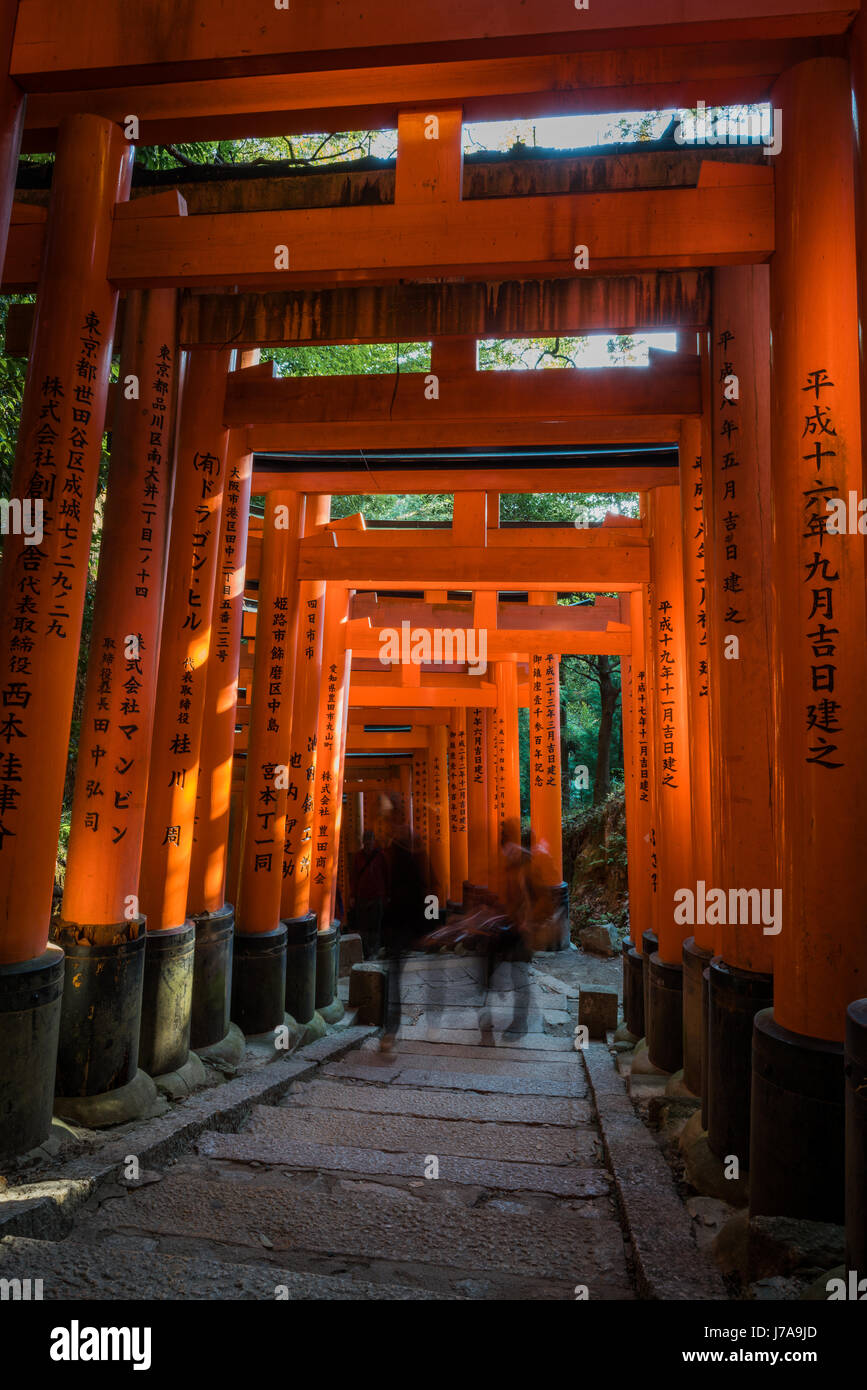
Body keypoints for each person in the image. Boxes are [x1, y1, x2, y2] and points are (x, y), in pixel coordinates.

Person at [380, 820, 426, 1051]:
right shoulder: (416, 861)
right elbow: (427, 891)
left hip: (398, 925)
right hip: (404, 925)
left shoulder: (397, 860)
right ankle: (390, 1031)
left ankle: (390, 1031)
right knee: (394, 977)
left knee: (394, 977)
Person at [349, 829, 388, 959]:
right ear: (363, 841)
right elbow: (354, 877)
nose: (368, 842)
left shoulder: (380, 856)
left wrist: (387, 895)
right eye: (366, 840)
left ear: (373, 841)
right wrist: (352, 896)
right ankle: (366, 952)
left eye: (370, 839)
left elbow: (386, 875)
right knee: (363, 927)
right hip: (362, 897)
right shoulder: (358, 857)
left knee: (376, 926)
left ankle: (375, 951)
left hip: (377, 896)